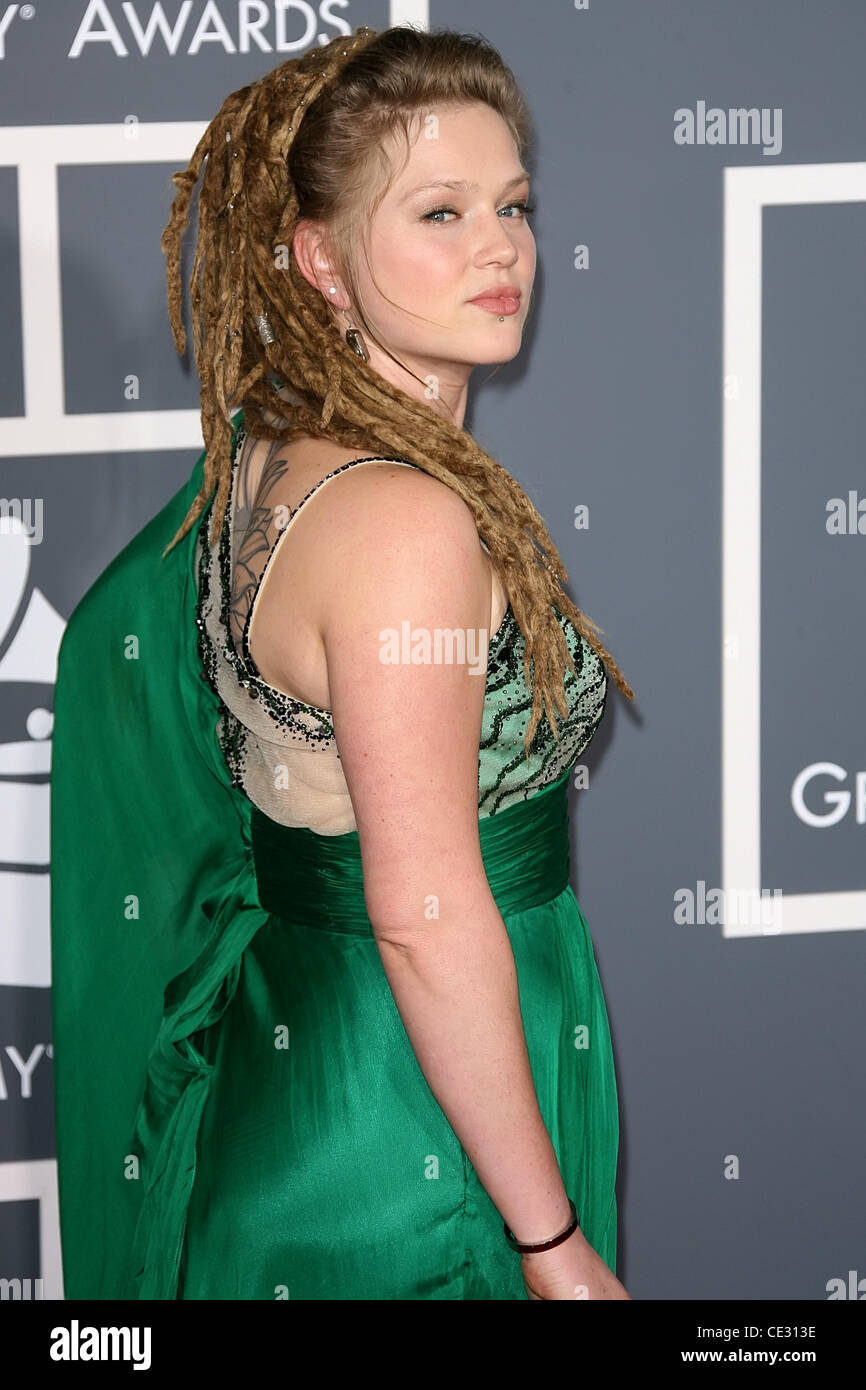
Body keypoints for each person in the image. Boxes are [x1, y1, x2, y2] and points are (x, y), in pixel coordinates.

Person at [50, 24, 635, 1301]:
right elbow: (424, 918)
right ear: (318, 257)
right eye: (439, 211)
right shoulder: (404, 525)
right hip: (409, 1126)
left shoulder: (273, 454)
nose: (501, 248)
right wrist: (549, 1243)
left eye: (513, 205)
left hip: (308, 1058)